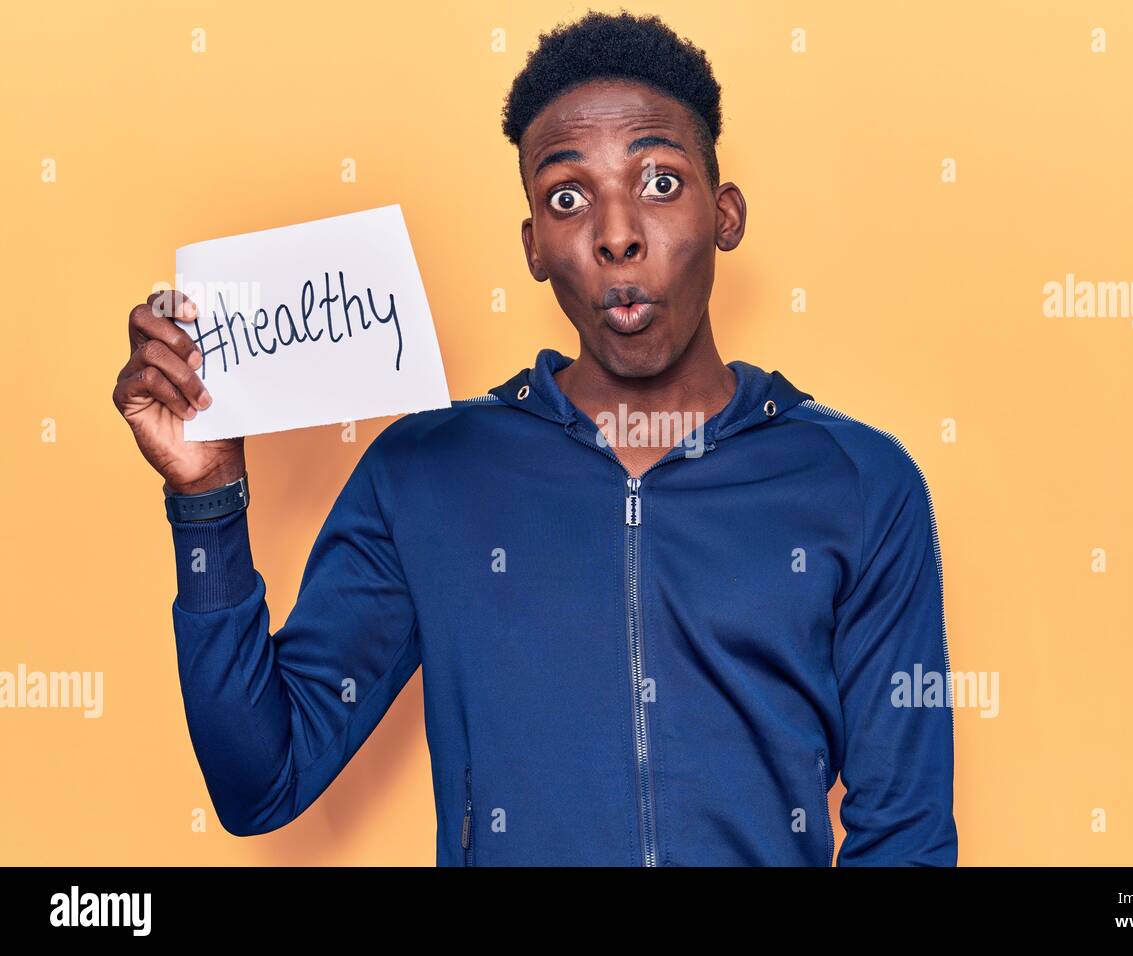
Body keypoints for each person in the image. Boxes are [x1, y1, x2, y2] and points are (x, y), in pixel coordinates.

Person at [111, 9, 957, 866]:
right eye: (568, 196)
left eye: (659, 181)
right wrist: (205, 500)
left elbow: (907, 836)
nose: (617, 232)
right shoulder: (425, 476)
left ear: (726, 214)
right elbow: (261, 782)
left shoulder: (858, 484)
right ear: (535, 247)